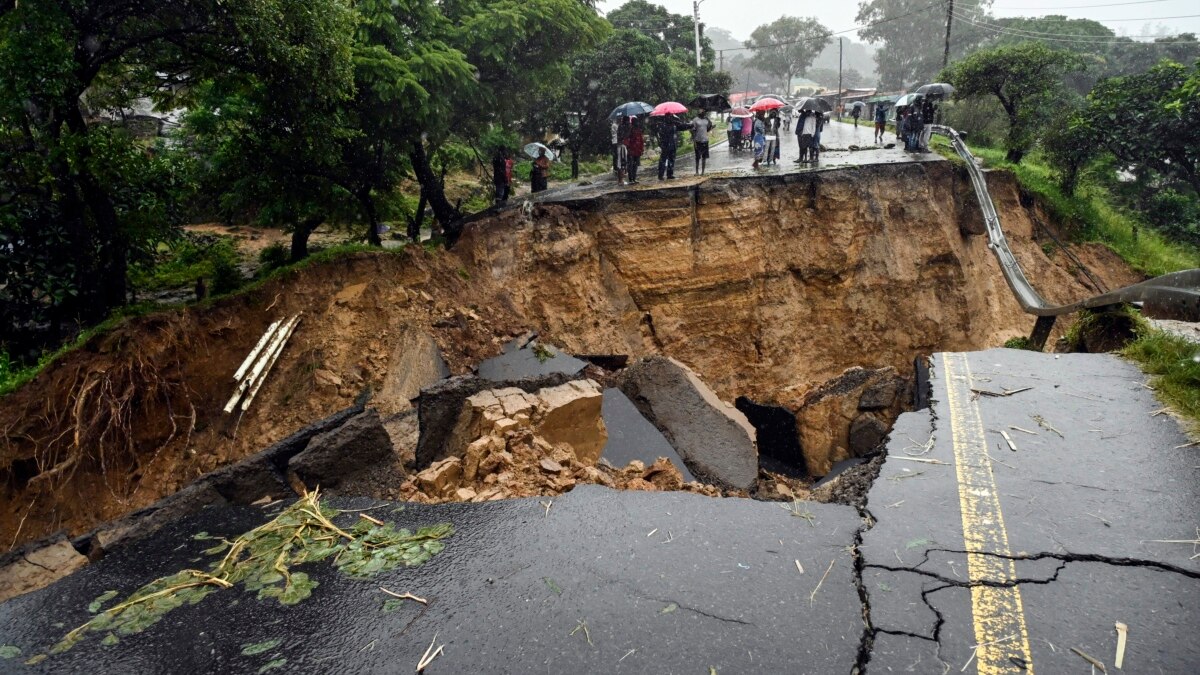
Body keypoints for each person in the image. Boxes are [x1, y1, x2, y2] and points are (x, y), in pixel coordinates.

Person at [690, 111, 713, 175]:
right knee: (697, 157)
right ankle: (697, 171)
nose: (703, 113)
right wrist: (693, 136)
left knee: (704, 157)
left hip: (705, 140)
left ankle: (703, 172)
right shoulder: (695, 120)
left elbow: (708, 129)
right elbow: (692, 129)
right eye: (701, 112)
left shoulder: (706, 120)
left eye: (704, 112)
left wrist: (709, 122)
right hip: (697, 140)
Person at [623, 116, 644, 183]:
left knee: (635, 165)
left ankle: (634, 178)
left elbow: (641, 140)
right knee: (631, 164)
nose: (636, 123)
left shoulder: (638, 130)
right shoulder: (630, 130)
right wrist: (628, 148)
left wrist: (641, 148)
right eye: (635, 121)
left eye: (637, 121)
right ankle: (631, 179)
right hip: (631, 150)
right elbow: (626, 139)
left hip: (637, 150)